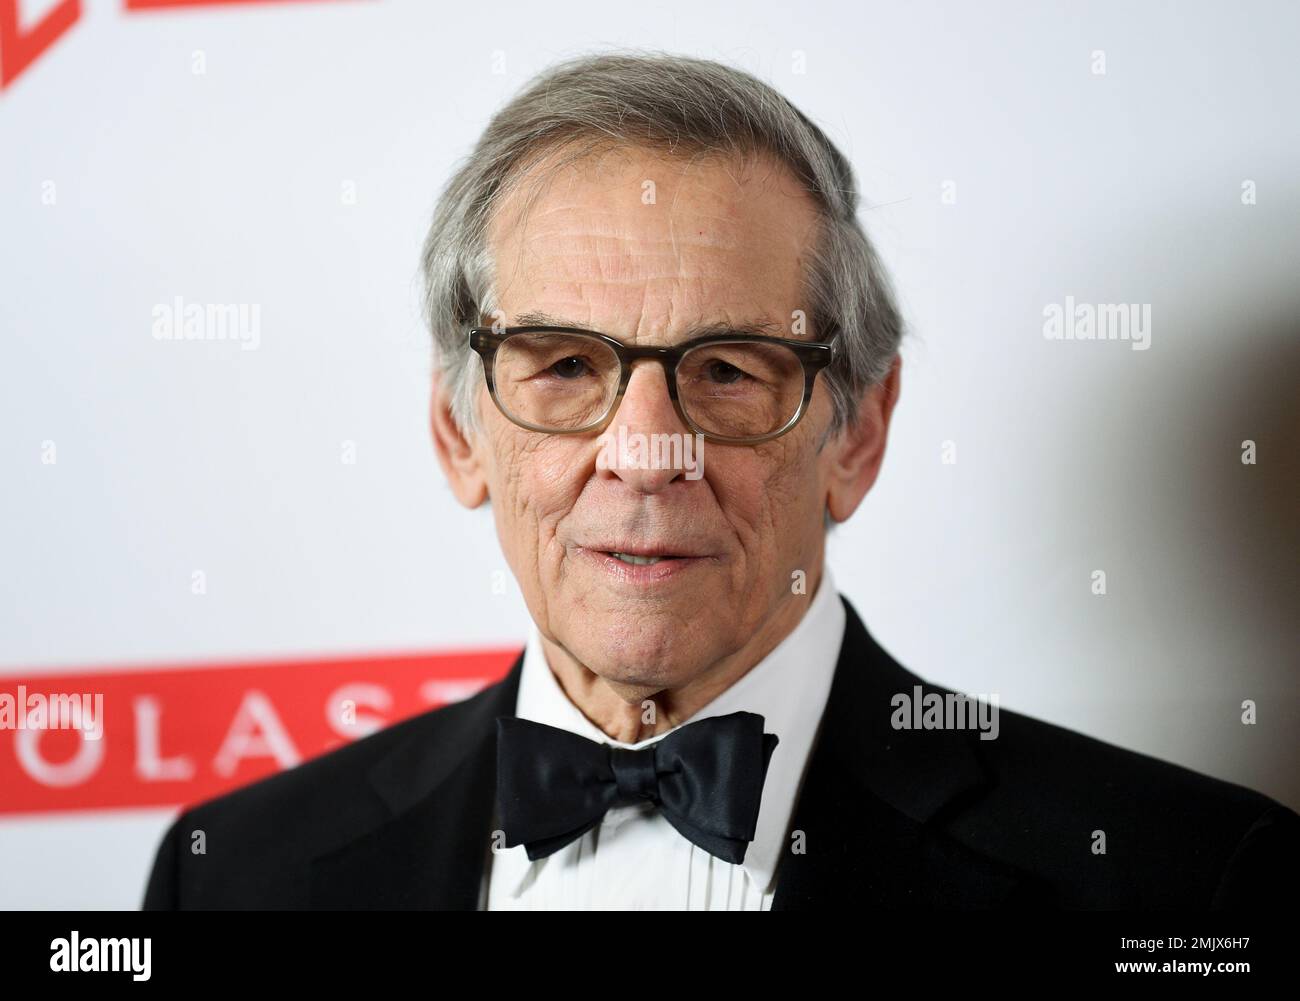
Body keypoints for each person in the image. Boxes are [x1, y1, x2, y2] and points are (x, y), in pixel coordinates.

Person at [143, 50, 1299, 910]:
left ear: (857, 433)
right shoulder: (237, 874)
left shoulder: (1187, 881)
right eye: (562, 366)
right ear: (458, 430)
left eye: (729, 370)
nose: (647, 453)